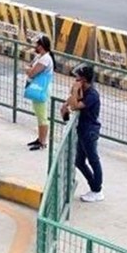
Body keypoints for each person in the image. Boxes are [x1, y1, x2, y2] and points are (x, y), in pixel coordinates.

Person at [61, 64, 104, 202]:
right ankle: (93, 185)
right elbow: (71, 102)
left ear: (84, 80)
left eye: (78, 78)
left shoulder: (92, 95)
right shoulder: (83, 92)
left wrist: (75, 91)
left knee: (93, 160)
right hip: (82, 130)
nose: (75, 80)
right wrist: (65, 104)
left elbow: (75, 106)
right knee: (79, 161)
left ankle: (97, 190)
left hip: (89, 131)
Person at [25, 35, 55, 151]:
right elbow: (30, 68)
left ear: (41, 46)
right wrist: (29, 69)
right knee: (39, 114)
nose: (35, 47)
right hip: (38, 87)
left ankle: (42, 142)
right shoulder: (40, 57)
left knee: (42, 116)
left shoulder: (45, 59)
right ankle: (40, 138)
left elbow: (31, 72)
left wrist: (28, 70)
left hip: (41, 88)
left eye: (37, 45)